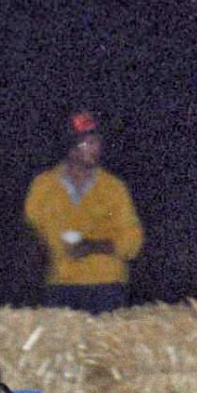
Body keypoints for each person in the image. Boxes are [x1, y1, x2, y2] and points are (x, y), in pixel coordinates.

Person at [22, 111, 143, 313]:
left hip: (105, 286)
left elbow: (133, 241)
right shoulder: (43, 185)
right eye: (88, 142)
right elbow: (29, 231)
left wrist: (93, 246)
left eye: (96, 142)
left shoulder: (113, 188)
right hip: (59, 284)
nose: (95, 148)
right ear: (70, 148)